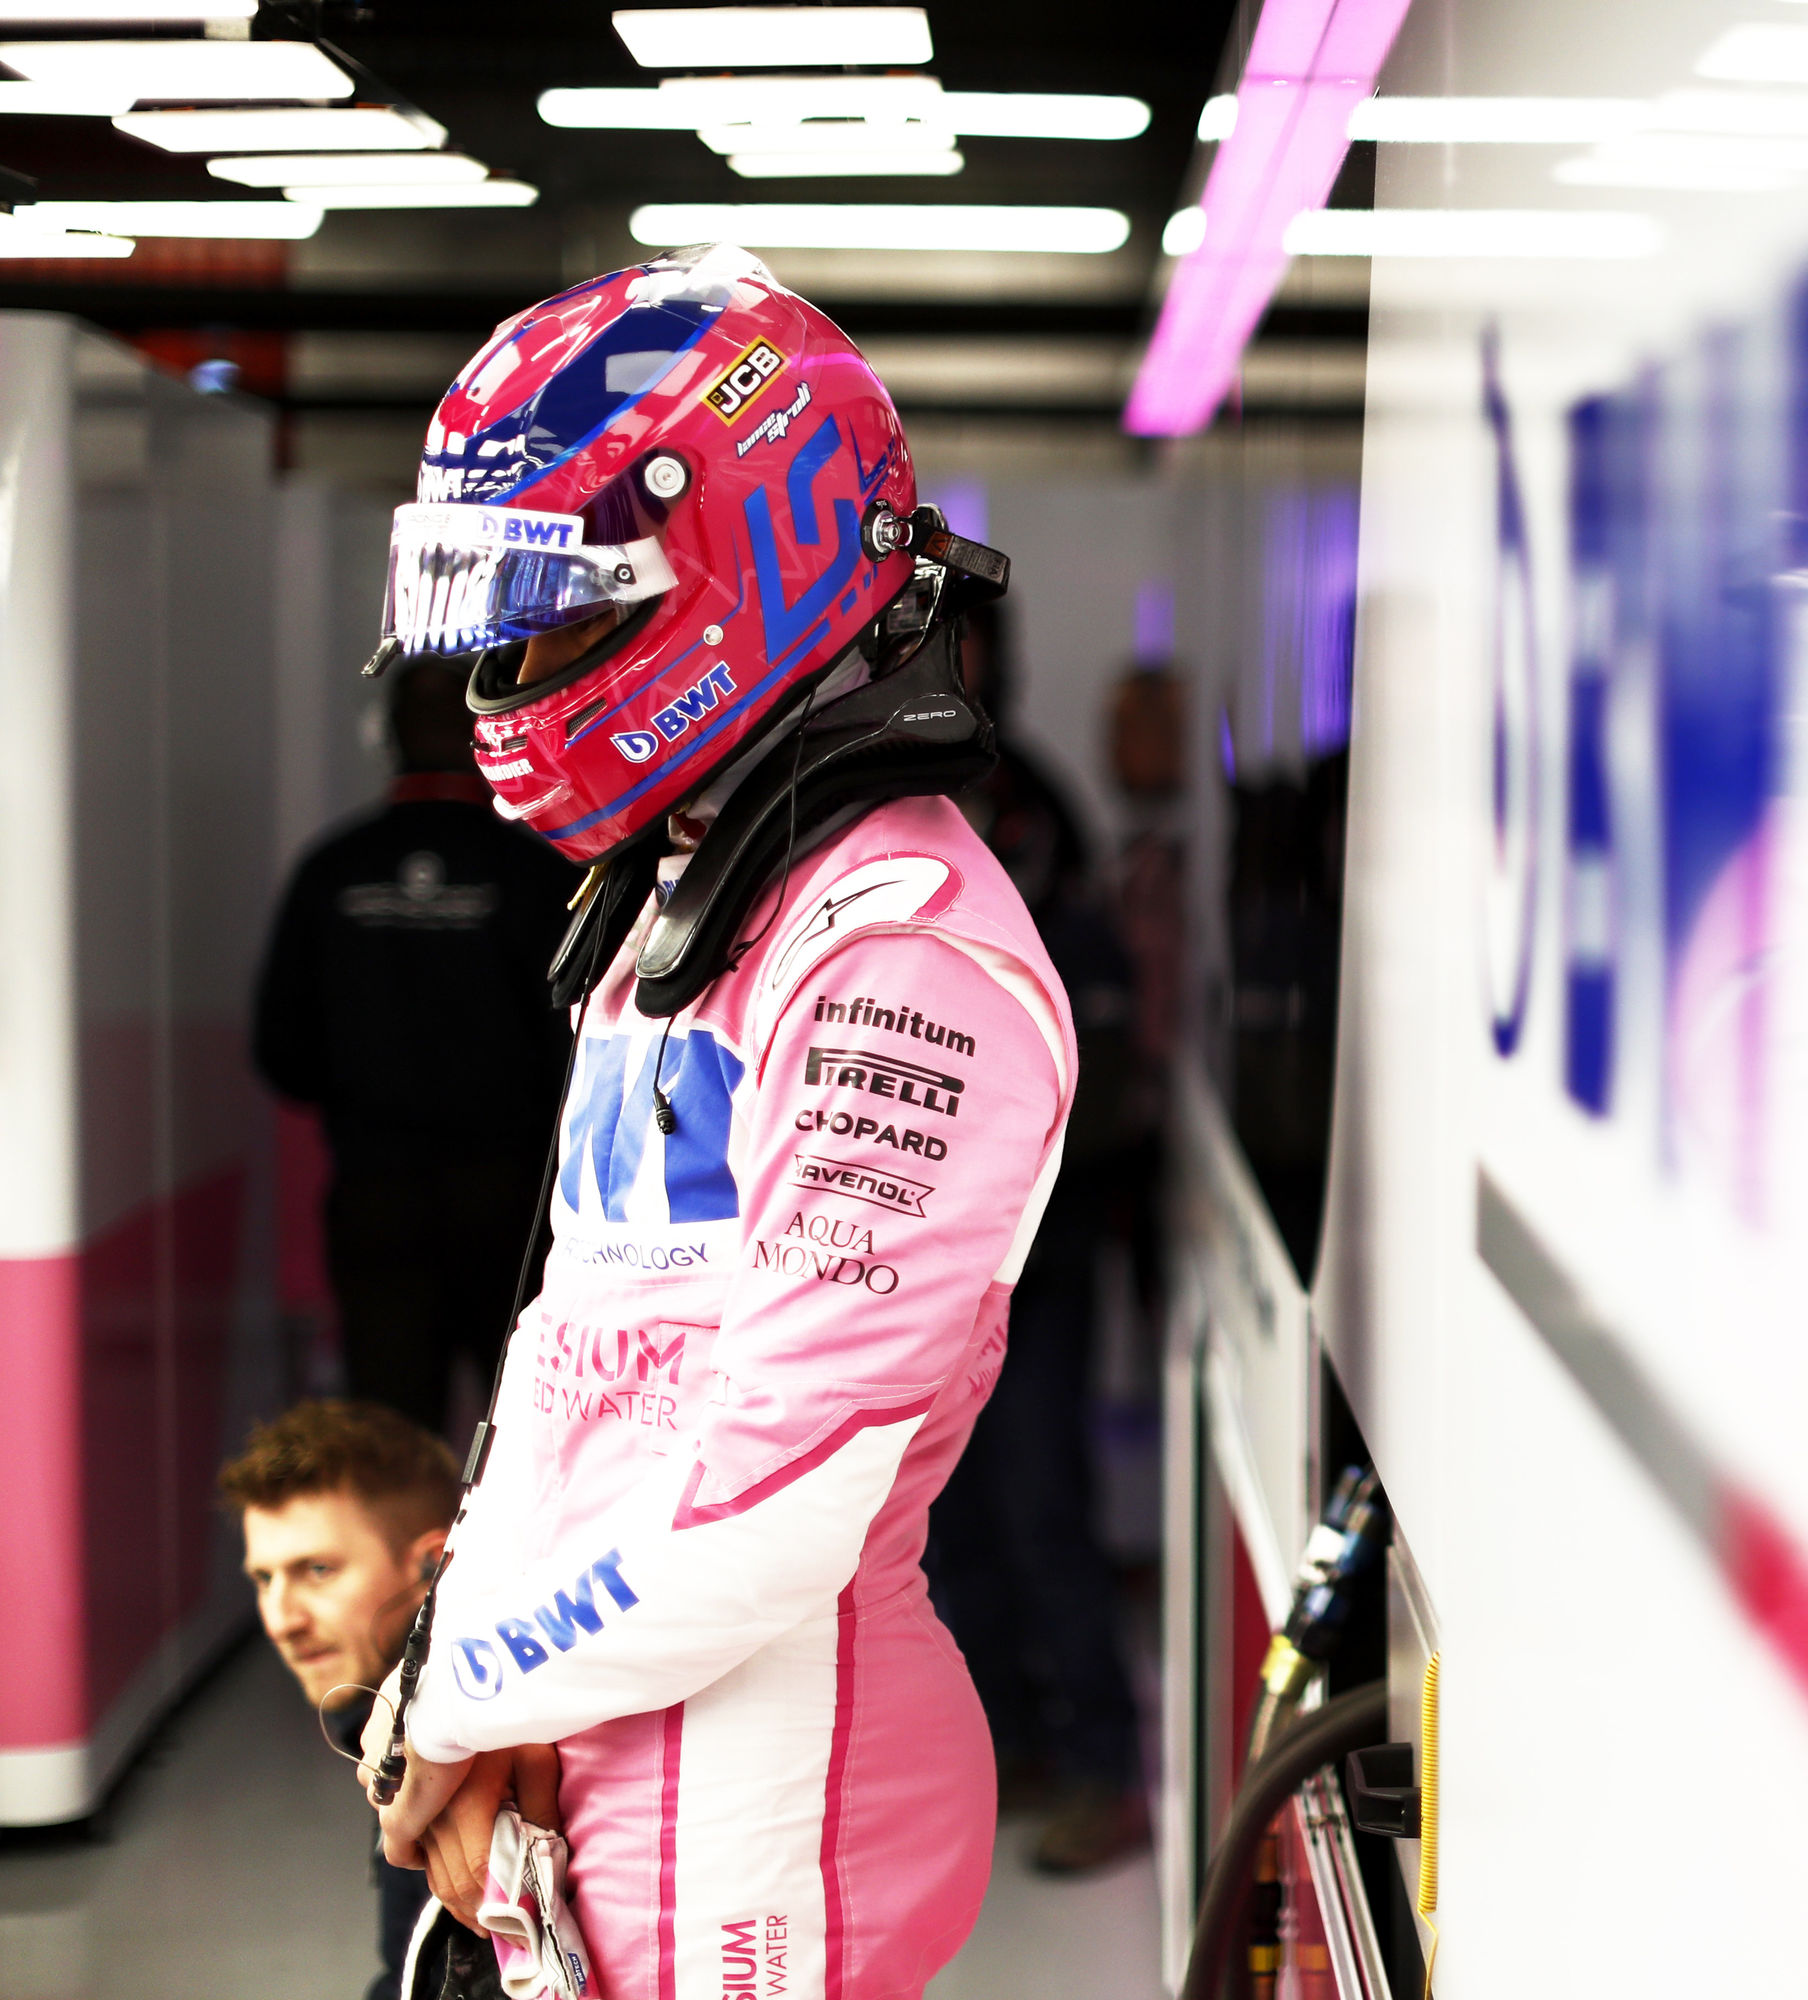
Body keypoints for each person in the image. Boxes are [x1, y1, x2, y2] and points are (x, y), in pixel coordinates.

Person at [356, 243, 1074, 2000]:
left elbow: (781, 1499)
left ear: (742, 565)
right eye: (499, 619)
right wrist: (457, 1674)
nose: (515, 667)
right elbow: (577, 1358)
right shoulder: (688, 897)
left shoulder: (901, 949)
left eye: (560, 610)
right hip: (588, 1740)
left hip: (766, 1802)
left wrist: (450, 1698)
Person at [927, 598, 1149, 1874]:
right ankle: (1008, 1742)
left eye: (960, 646)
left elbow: (1088, 1037)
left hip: (1032, 1244)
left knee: (1043, 1504)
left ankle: (1108, 1764)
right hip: (929, 1252)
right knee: (954, 1518)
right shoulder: (880, 799)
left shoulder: (1030, 810)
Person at [253, 660, 580, 1433]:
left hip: (378, 1197)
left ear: (386, 733)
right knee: (526, 1432)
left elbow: (280, 1052)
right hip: (515, 1206)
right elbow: (582, 1054)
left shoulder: (332, 869)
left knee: (392, 1436)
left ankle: (404, 1558)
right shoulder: (542, 872)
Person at [218, 1400, 463, 2000]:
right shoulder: (388, 1724)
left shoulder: (458, 1749)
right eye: (264, 1579)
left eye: (319, 1570)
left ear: (433, 1565)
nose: (281, 1621)